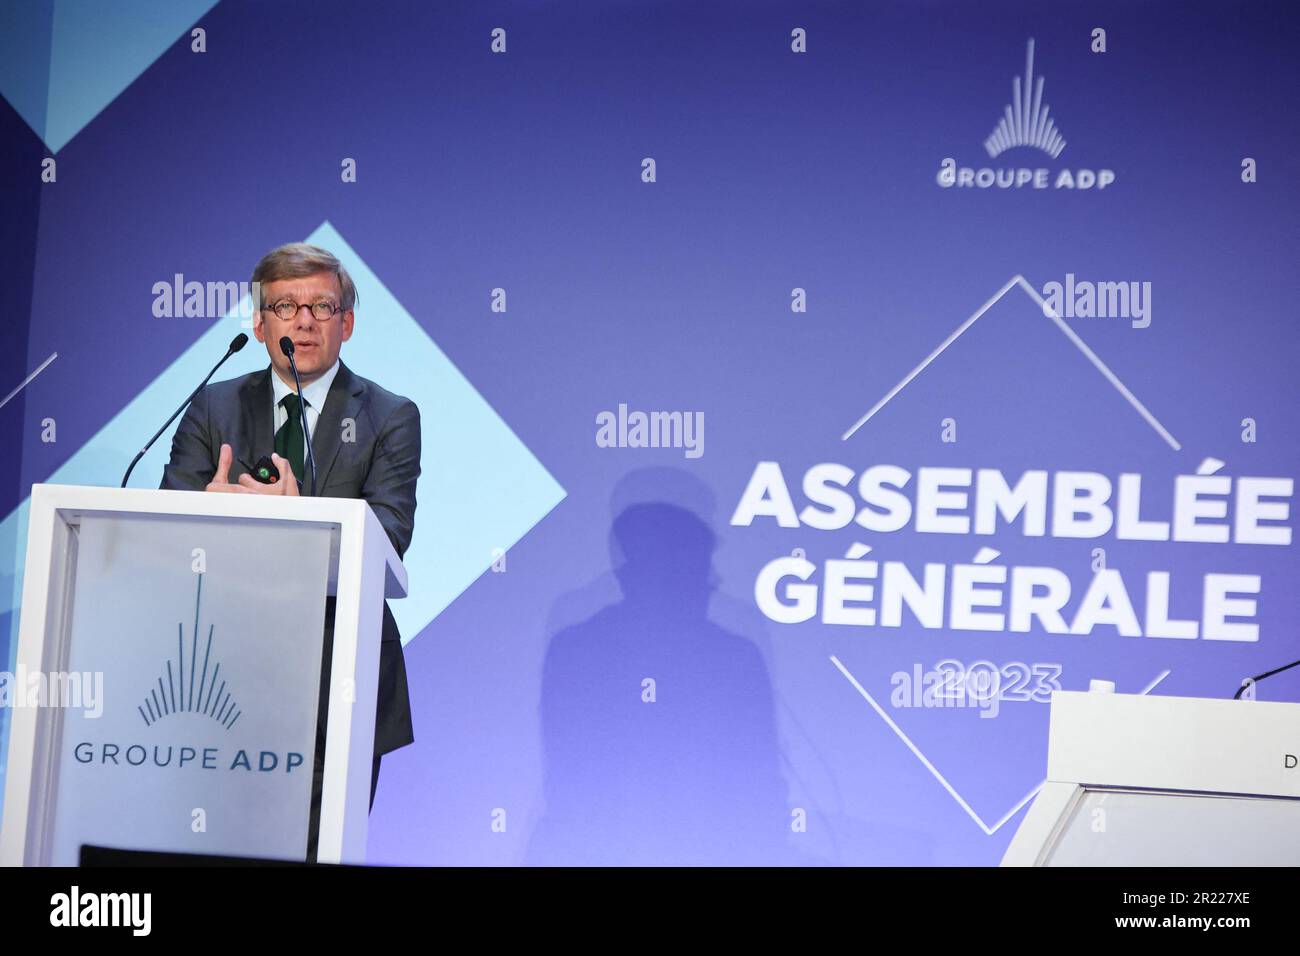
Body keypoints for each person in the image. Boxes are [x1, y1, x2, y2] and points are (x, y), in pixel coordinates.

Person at [160, 243, 420, 858]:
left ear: (347, 324)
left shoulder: (388, 415)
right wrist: (207, 513)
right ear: (259, 324)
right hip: (216, 675)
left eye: (322, 307)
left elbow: (390, 533)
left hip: (339, 675)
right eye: (285, 306)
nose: (303, 321)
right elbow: (166, 527)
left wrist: (302, 520)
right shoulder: (213, 405)